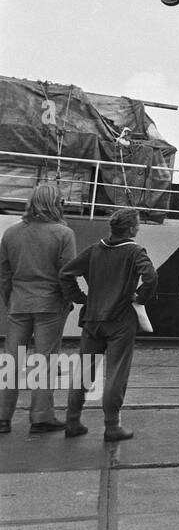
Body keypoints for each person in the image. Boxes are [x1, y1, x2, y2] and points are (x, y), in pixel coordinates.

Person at [60, 208, 157, 442]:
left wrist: (82, 297)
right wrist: (139, 297)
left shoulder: (95, 249)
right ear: (132, 229)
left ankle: (72, 420)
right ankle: (112, 425)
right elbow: (151, 277)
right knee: (116, 373)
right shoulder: (134, 251)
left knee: (84, 370)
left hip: (92, 318)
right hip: (120, 321)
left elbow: (66, 273)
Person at [0, 183, 77, 435]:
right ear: (56, 203)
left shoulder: (11, 233)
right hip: (50, 304)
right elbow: (66, 274)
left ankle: (2, 417)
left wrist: (9, 299)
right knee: (44, 360)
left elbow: (5, 273)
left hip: (19, 303)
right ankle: (41, 416)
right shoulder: (63, 234)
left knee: (11, 360)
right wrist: (69, 301)